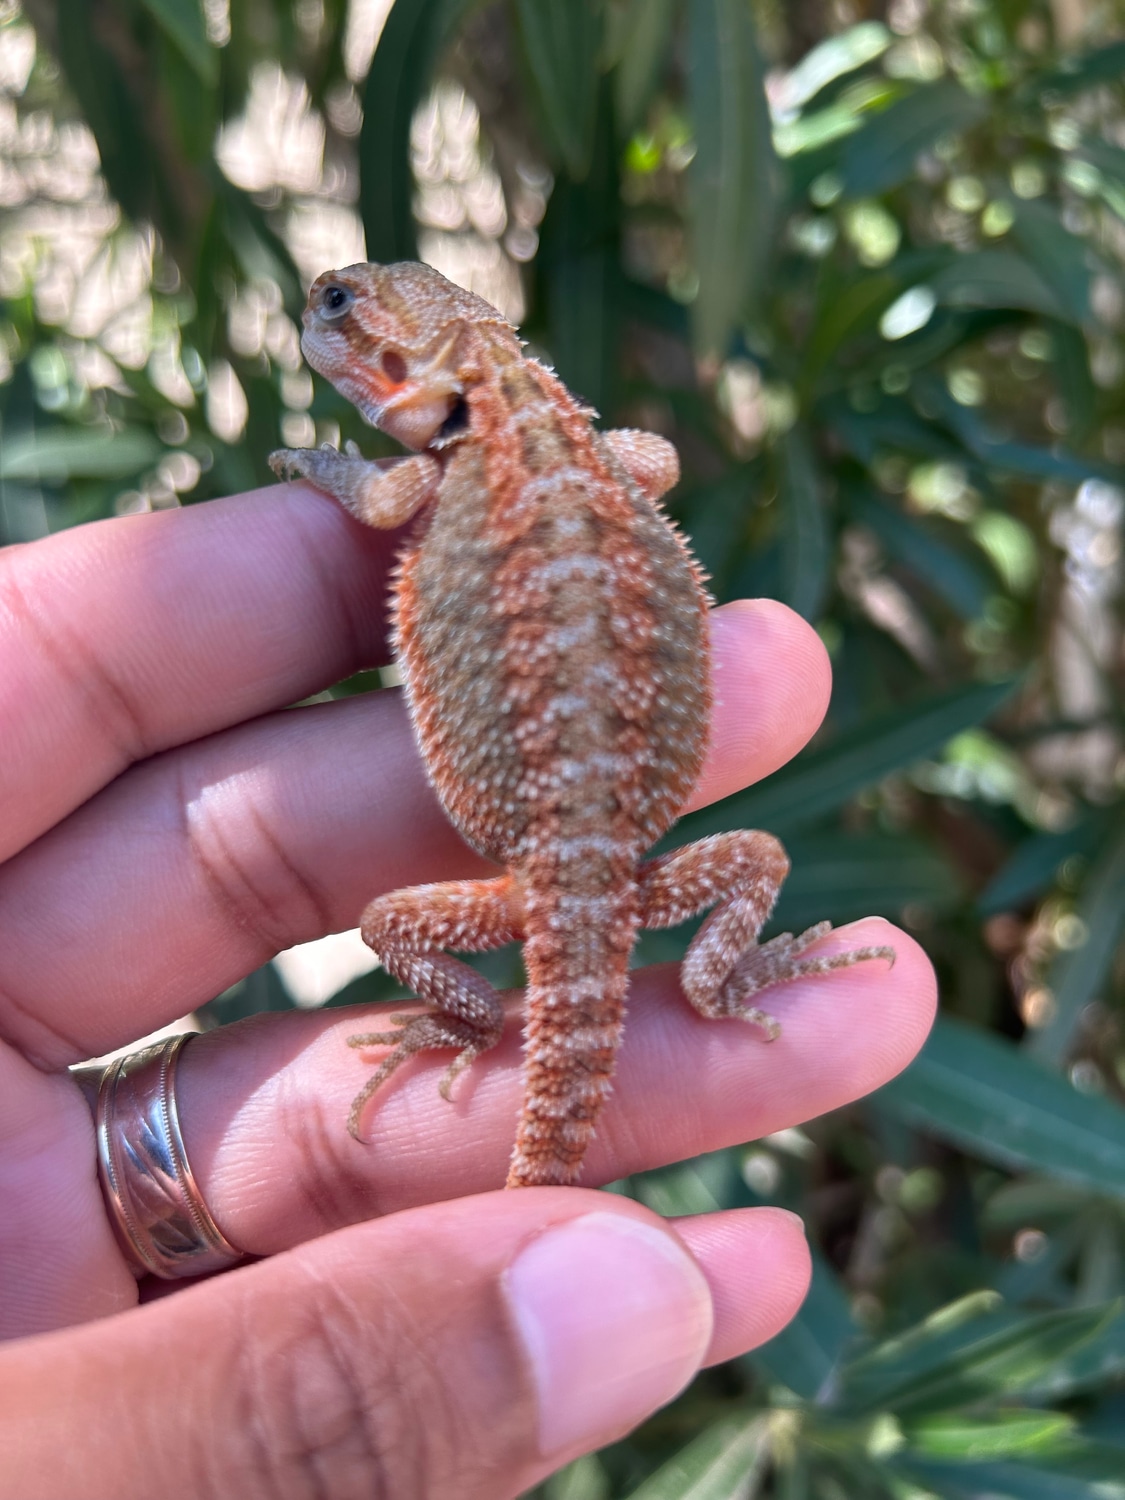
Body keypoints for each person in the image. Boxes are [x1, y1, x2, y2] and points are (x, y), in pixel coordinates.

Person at [0, 478, 935, 1499]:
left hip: (555, 879)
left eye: (345, 305)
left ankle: (479, 1015)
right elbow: (651, 460)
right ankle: (718, 982)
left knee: (395, 929)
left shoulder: (441, 471)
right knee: (749, 859)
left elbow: (394, 488)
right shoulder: (562, 463)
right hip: (611, 874)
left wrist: (334, 471)